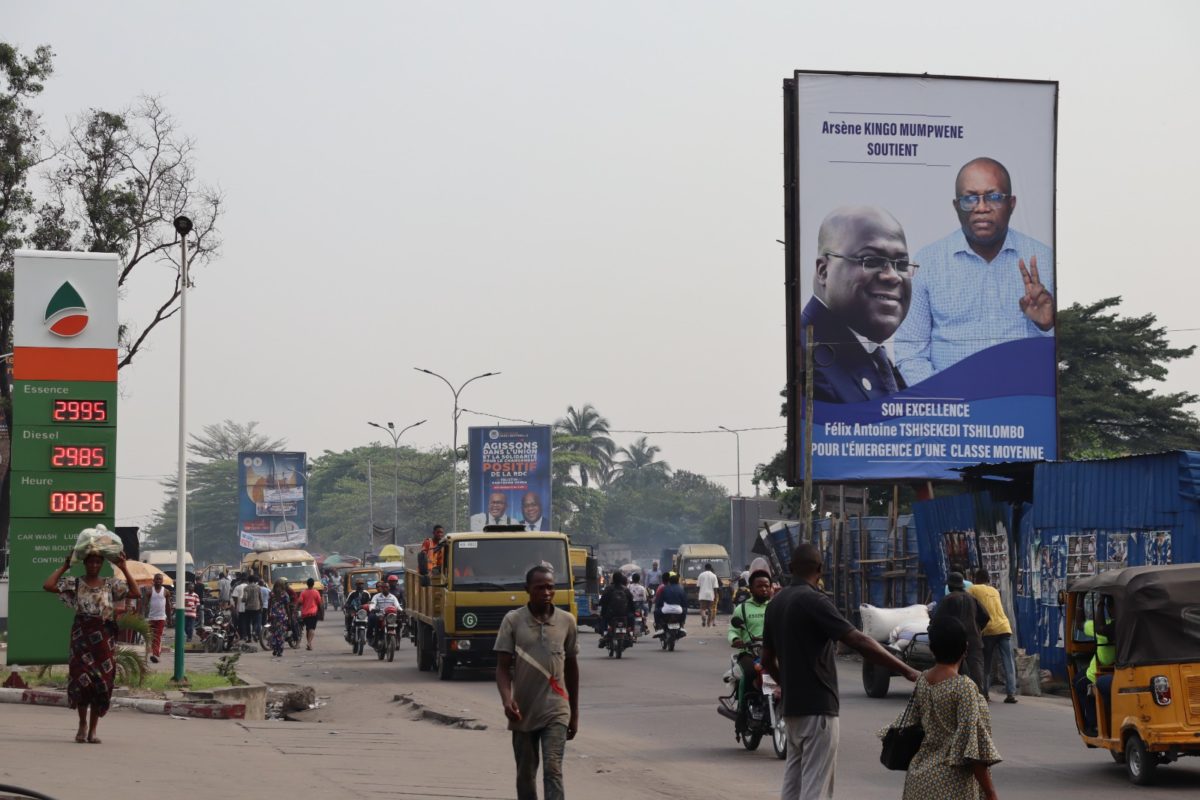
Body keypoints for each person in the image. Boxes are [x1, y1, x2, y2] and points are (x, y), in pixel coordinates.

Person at [762, 543, 918, 800]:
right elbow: (859, 641)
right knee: (816, 786)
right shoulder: (814, 600)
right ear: (820, 570)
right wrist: (908, 670)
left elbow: (766, 659)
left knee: (793, 780)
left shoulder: (775, 604)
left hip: (791, 709)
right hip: (818, 707)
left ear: (790, 569)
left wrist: (786, 685)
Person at [896, 156, 1055, 383]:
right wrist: (944, 400)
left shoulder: (1045, 261)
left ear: (1012, 204)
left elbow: (1069, 356)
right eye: (970, 198)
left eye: (994, 197)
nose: (981, 208)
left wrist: (1046, 326)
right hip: (952, 410)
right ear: (956, 206)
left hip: (1022, 408)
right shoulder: (928, 262)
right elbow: (909, 352)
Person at [800, 206, 915, 403]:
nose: (892, 276)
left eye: (902, 265)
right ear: (823, 271)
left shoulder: (876, 359)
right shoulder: (805, 358)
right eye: (871, 260)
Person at [881, 616, 1001, 800]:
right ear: (966, 648)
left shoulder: (922, 681)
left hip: (919, 779)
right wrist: (991, 793)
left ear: (931, 648)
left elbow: (906, 723)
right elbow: (972, 749)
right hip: (951, 785)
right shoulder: (964, 687)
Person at [495, 565, 580, 800]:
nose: (546, 592)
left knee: (553, 770)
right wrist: (507, 700)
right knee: (525, 773)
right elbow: (502, 668)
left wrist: (574, 712)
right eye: (540, 587)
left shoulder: (567, 621)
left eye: (550, 587)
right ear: (527, 590)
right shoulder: (513, 621)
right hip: (523, 711)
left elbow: (572, 668)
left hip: (557, 710)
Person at [43, 547, 138, 744]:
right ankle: (82, 724)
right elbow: (48, 585)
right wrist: (66, 565)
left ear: (101, 564)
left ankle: (93, 729)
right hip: (81, 639)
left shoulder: (111, 584)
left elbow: (135, 592)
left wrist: (124, 567)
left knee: (101, 683)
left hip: (103, 639)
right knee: (81, 681)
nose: (94, 565)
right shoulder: (76, 583)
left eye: (97, 562)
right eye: (90, 562)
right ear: (85, 563)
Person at [729, 570, 772, 732]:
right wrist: (736, 640)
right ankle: (741, 711)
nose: (764, 589)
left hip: (773, 652)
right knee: (749, 672)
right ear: (751, 589)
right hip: (749, 652)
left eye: (766, 586)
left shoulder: (776, 607)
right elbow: (732, 630)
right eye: (759, 586)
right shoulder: (742, 609)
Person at [934, 572, 989, 695]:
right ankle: (979, 696)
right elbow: (985, 616)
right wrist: (978, 629)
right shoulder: (972, 599)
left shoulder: (948, 599)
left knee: (951, 669)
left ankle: (956, 696)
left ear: (950, 586)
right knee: (976, 669)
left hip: (955, 641)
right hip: (974, 639)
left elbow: (938, 620)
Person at [968, 569, 1017, 703]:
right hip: (1004, 627)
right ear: (988, 580)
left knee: (986, 662)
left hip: (989, 630)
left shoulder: (973, 589)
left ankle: (985, 694)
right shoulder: (994, 590)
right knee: (1008, 661)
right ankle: (1011, 693)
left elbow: (968, 606)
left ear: (976, 579)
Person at [1073, 594, 1115, 736]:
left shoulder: (1105, 628)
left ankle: (1092, 724)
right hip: (1118, 670)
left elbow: (1079, 624)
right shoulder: (1131, 626)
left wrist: (1080, 599)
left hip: (1098, 672)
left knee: (1079, 684)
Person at [141, 572, 174, 664]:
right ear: (154, 581)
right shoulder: (150, 591)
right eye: (157, 579)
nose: (158, 581)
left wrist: (170, 618)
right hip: (151, 618)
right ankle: (154, 653)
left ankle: (155, 655)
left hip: (161, 618)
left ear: (162, 581)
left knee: (158, 636)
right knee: (152, 637)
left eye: (160, 579)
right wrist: (142, 615)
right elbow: (144, 604)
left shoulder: (166, 592)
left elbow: (168, 606)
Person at [597, 571, 633, 647]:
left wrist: (599, 604)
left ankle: (604, 633)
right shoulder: (626, 589)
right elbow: (631, 602)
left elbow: (603, 600)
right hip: (624, 614)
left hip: (611, 614)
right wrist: (632, 610)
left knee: (602, 617)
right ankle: (629, 633)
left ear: (613, 579)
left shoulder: (609, 589)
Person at [368, 579, 403, 644]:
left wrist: (401, 610)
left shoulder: (393, 597)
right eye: (383, 587)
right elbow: (372, 604)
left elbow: (397, 605)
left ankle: (398, 636)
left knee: (399, 621)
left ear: (389, 588)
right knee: (374, 621)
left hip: (390, 616)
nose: (385, 589)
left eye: (386, 587)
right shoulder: (376, 596)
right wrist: (372, 608)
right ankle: (375, 638)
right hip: (380, 615)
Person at [267, 579, 292, 657]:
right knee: (280, 634)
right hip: (282, 616)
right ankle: (279, 651)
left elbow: (269, 605)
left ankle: (274, 648)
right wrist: (289, 618)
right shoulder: (285, 594)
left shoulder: (272, 594)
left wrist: (268, 615)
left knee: (274, 633)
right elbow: (287, 607)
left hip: (273, 615)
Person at [298, 577, 322, 650]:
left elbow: (300, 602)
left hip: (305, 614)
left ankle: (309, 644)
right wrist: (320, 611)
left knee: (308, 629)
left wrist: (297, 609)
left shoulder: (303, 592)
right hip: (313, 613)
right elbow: (319, 603)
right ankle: (309, 643)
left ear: (307, 584)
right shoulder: (316, 592)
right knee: (312, 629)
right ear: (313, 584)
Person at [696, 562, 720, 627]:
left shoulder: (701, 575)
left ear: (705, 568)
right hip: (711, 595)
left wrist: (697, 594)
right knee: (710, 609)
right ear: (710, 568)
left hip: (702, 594)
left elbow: (698, 586)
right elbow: (715, 588)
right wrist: (715, 596)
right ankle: (709, 623)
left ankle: (704, 617)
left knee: (702, 609)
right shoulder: (714, 576)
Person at [242, 573, 263, 640]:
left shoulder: (246, 588)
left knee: (248, 623)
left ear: (248, 580)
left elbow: (245, 598)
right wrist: (261, 605)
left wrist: (243, 600)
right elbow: (260, 597)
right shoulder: (258, 587)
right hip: (257, 607)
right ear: (254, 580)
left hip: (248, 607)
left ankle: (249, 638)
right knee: (256, 621)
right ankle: (254, 631)